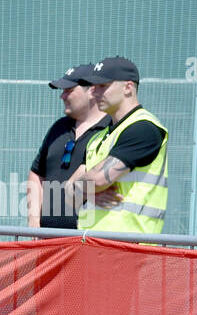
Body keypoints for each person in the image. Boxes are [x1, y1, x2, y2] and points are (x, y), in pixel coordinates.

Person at [68, 57, 169, 234]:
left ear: (128, 87)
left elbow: (98, 180)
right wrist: (89, 191)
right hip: (93, 243)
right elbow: (67, 192)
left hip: (131, 248)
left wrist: (82, 187)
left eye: (103, 86)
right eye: (93, 87)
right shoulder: (98, 137)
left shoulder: (143, 128)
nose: (94, 93)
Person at [27, 63, 110, 230]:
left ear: (92, 90)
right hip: (48, 241)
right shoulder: (59, 128)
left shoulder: (112, 129)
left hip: (88, 242)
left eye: (69, 90)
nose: (62, 96)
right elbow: (37, 173)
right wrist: (34, 220)